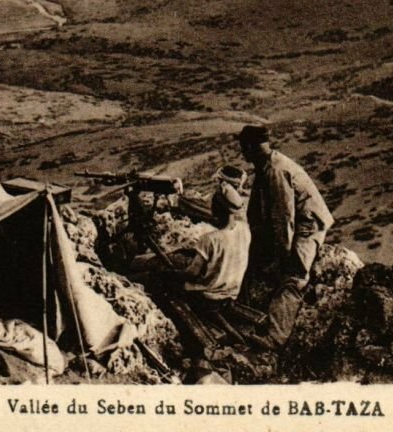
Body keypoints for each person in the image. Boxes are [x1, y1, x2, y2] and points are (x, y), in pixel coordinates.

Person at [237, 124, 334, 345]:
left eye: (244, 149)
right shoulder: (266, 165)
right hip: (294, 222)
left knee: (293, 277)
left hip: (308, 225)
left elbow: (284, 220)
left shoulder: (276, 172)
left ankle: (274, 338)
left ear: (251, 148)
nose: (242, 154)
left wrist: (281, 255)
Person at [129, 174, 252, 304]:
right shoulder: (244, 229)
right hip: (231, 292)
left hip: (207, 296)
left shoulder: (210, 239)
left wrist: (170, 272)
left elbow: (191, 274)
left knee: (154, 277)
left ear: (217, 209)